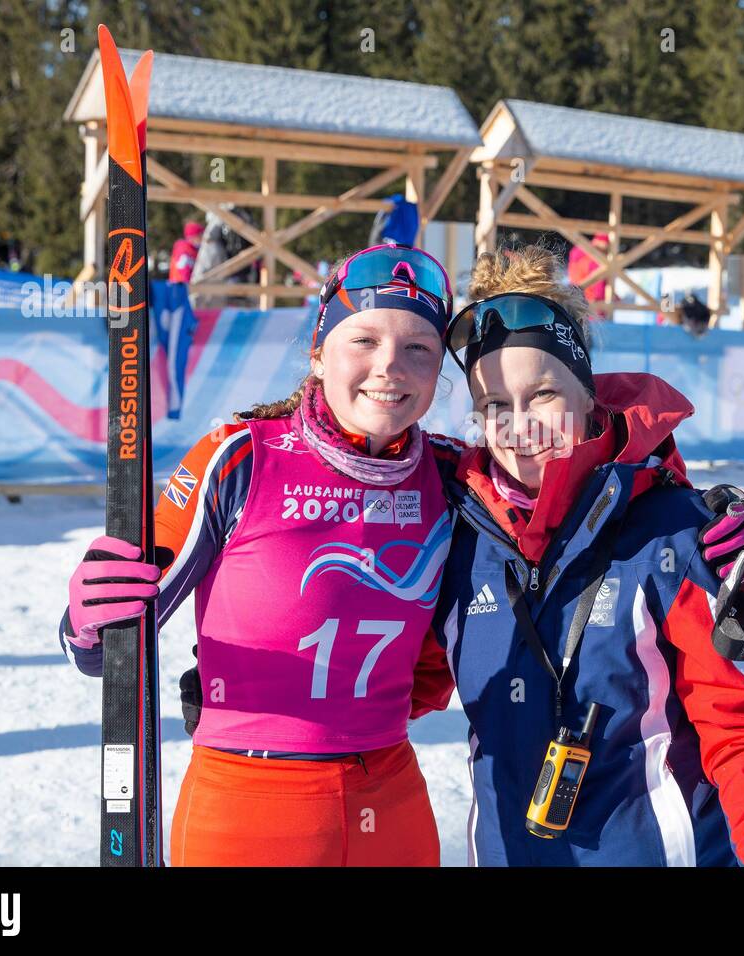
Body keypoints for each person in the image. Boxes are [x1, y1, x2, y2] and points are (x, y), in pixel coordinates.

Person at [58, 243, 460, 866]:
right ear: (319, 352)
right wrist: (92, 622)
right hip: (251, 804)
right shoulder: (241, 457)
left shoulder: (450, 475)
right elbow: (112, 648)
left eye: (418, 349)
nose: (390, 368)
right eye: (365, 341)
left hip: (391, 797)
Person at [433, 244, 744, 866]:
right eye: (494, 406)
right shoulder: (457, 538)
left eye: (541, 394)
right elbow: (399, 688)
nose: (521, 425)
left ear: (587, 393)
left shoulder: (667, 532)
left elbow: (735, 725)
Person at [566, 232, 610, 311]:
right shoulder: (597, 261)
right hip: (591, 303)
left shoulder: (578, 253)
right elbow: (599, 289)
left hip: (574, 295)